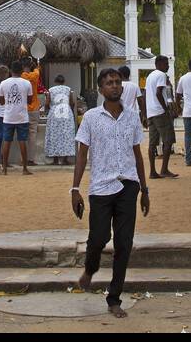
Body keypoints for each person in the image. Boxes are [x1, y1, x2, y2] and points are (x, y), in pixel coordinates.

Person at [72, 67, 150, 318]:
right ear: (101, 89)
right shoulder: (92, 118)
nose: (115, 86)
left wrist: (144, 189)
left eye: (118, 82)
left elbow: (137, 154)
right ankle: (90, 269)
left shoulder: (132, 118)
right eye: (109, 83)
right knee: (98, 237)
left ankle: (114, 297)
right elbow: (82, 154)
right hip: (101, 187)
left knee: (124, 242)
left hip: (128, 184)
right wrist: (75, 188)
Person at [0, 60, 35, 176]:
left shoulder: (3, 83)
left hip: (8, 117)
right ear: (22, 70)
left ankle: (4, 169)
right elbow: (29, 100)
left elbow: (1, 102)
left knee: (6, 141)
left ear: (11, 71)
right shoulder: (27, 83)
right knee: (22, 141)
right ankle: (24, 169)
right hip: (22, 116)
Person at [144, 55, 178, 179]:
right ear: (159, 64)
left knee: (152, 143)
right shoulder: (161, 75)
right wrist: (165, 110)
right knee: (168, 141)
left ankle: (152, 171)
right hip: (160, 112)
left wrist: (145, 113)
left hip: (151, 113)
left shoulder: (150, 76)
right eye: (166, 64)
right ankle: (164, 169)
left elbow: (145, 94)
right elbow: (159, 93)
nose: (168, 66)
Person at [43, 74, 79, 164]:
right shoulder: (68, 89)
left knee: (54, 134)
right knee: (66, 134)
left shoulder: (51, 90)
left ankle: (55, 160)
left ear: (55, 82)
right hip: (66, 113)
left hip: (55, 113)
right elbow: (72, 102)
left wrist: (48, 109)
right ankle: (65, 159)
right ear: (63, 82)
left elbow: (47, 103)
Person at [22, 56, 43, 165]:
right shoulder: (35, 75)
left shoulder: (21, 76)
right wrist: (36, 66)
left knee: (23, 135)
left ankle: (23, 159)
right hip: (34, 107)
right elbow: (37, 71)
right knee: (33, 135)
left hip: (23, 109)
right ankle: (31, 159)